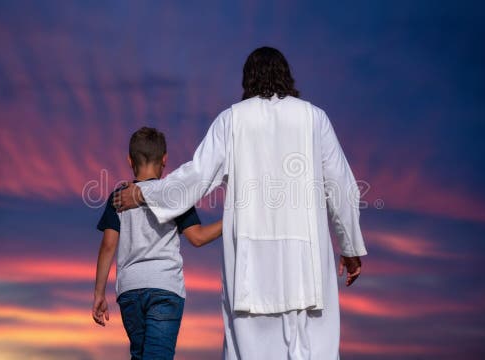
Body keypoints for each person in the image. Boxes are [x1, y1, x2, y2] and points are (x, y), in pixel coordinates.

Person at [114, 47, 367, 359]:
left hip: (251, 268)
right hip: (307, 265)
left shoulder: (231, 120)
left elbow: (197, 176)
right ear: (287, 76)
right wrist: (350, 247)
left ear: (247, 80)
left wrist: (143, 193)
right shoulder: (315, 119)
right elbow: (341, 185)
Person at [92, 126, 223, 360]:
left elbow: (108, 245)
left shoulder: (119, 196)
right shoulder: (174, 195)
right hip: (165, 286)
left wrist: (99, 293)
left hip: (130, 290)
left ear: (130, 160)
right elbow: (198, 237)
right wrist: (231, 221)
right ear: (164, 160)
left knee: (141, 355)